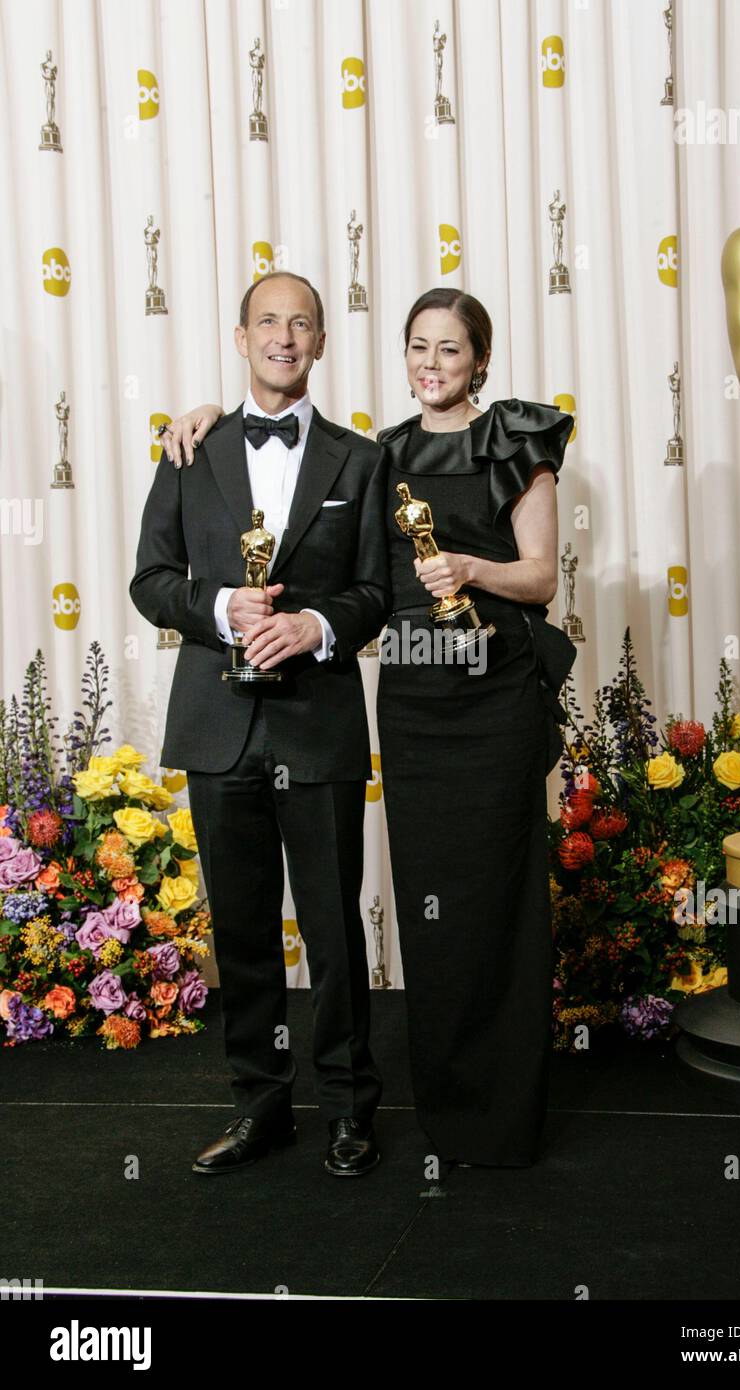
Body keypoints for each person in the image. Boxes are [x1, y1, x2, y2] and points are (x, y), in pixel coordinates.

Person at [161, 287, 575, 1167]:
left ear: (480, 361)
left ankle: (414, 1113)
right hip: (378, 714)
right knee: (295, 925)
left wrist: (337, 619)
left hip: (448, 706)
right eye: (419, 347)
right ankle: (294, 1107)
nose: (433, 364)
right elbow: (164, 578)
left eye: (450, 350)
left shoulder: (427, 451)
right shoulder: (334, 453)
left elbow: (493, 582)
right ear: (242, 338)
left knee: (392, 917)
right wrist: (207, 424)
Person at [130, 270, 389, 1178]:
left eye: (303, 324)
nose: (285, 337)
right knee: (240, 931)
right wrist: (222, 606)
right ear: (241, 339)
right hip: (219, 728)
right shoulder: (190, 448)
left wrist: (315, 626)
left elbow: (376, 591)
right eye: (268, 322)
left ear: (321, 343)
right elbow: (150, 578)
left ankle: (352, 1110)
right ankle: (260, 1107)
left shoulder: (361, 460)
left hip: (316, 726)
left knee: (332, 928)